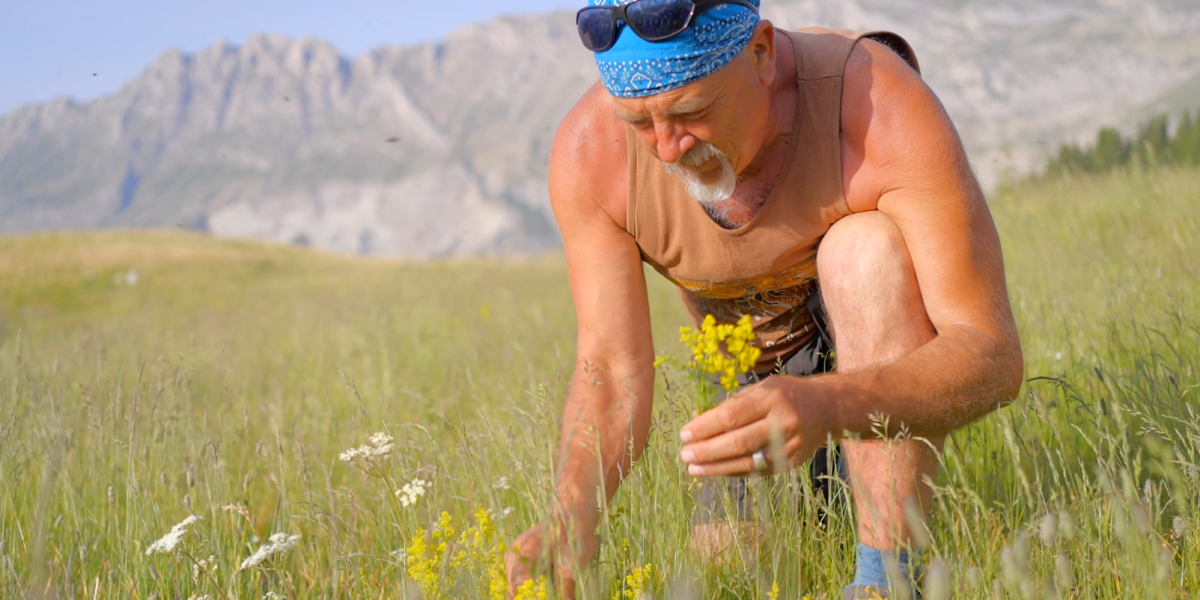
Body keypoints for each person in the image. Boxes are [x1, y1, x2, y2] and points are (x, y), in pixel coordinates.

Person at [506, 0, 1023, 597]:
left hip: (893, 357)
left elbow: (991, 354)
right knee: (730, 576)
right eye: (639, 123)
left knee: (861, 250)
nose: (667, 149)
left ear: (762, 54)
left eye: (692, 111)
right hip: (755, 378)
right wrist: (572, 516)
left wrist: (828, 405)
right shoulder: (589, 154)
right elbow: (613, 368)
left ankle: (887, 580)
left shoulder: (876, 102)